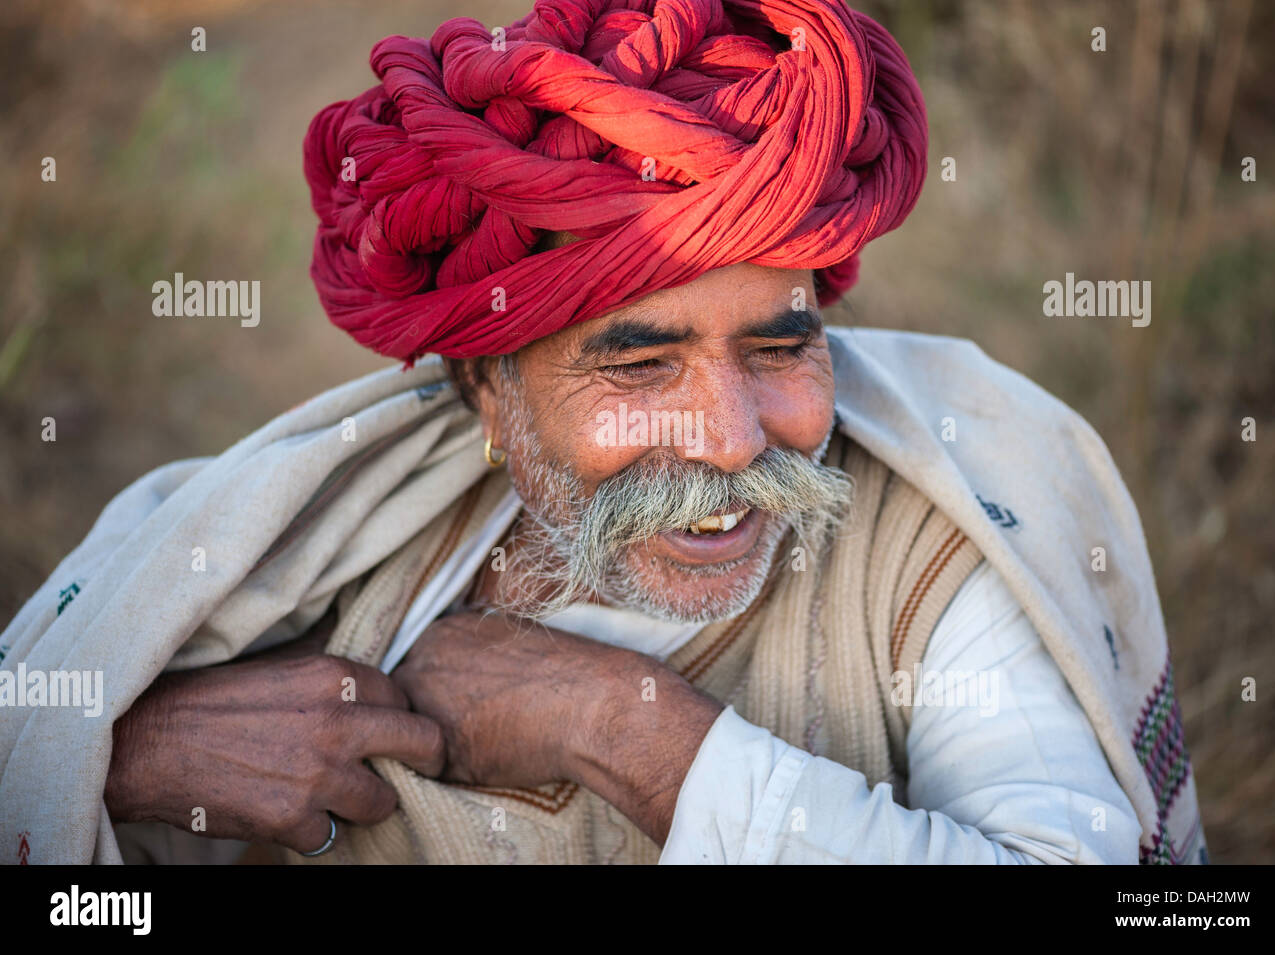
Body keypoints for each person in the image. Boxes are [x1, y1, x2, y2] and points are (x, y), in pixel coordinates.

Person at [0, 0, 1206, 865]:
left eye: (779, 346)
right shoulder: (290, 577)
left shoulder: (926, 546)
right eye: (638, 360)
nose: (734, 441)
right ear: (486, 390)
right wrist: (124, 756)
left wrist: (617, 724)